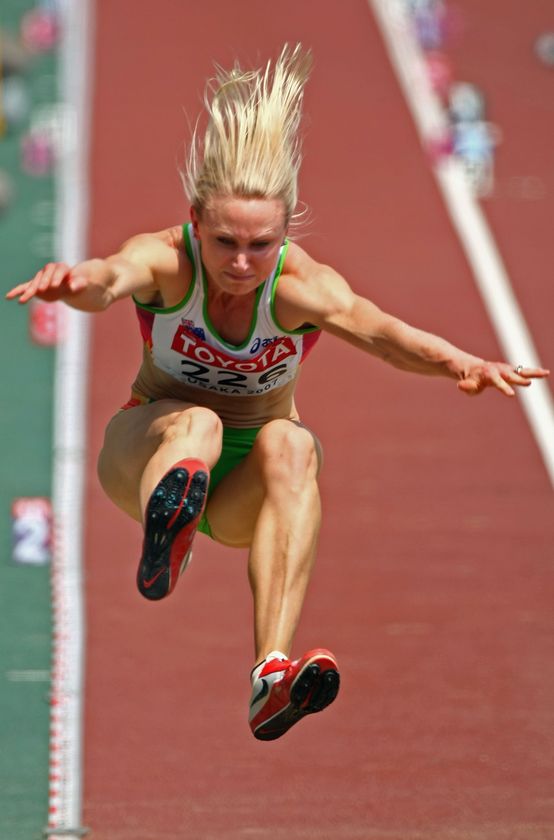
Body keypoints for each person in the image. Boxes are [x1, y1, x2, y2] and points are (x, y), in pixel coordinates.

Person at [6, 44, 549, 741]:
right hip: (148, 452)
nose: (239, 263)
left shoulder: (300, 287)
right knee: (197, 422)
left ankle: (269, 676)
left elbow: (381, 332)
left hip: (239, 495)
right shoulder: (169, 262)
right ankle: (164, 536)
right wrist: (72, 284)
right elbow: (108, 278)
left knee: (294, 443)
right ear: (195, 219)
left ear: (285, 234)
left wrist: (461, 364)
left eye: (259, 246)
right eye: (225, 240)